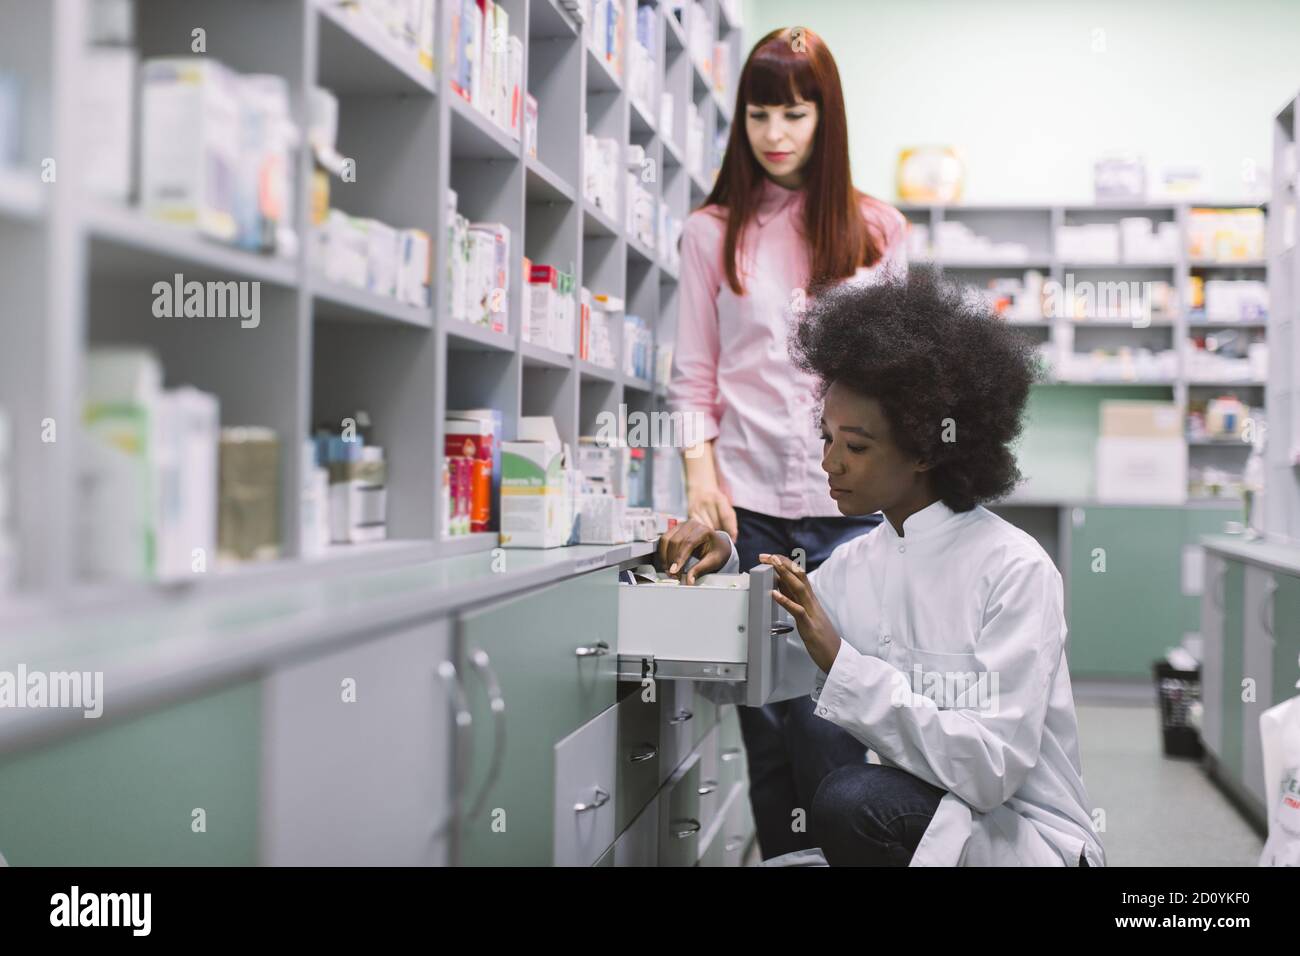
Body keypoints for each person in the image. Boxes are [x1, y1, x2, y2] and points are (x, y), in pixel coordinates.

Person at [658, 267, 1106, 867]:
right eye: (826, 438)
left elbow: (988, 772)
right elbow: (752, 674)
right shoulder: (854, 564)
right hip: (926, 833)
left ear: (924, 449)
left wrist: (841, 663)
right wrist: (713, 572)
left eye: (856, 446)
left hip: (1021, 843)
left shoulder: (1014, 569)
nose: (830, 464)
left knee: (852, 799)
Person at [668, 25, 907, 860]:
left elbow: (904, 380)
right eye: (760, 114)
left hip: (852, 517)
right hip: (752, 515)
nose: (774, 134)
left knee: (838, 726)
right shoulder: (711, 232)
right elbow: (692, 377)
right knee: (767, 733)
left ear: (824, 118)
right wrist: (702, 479)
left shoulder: (879, 232)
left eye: (795, 114)